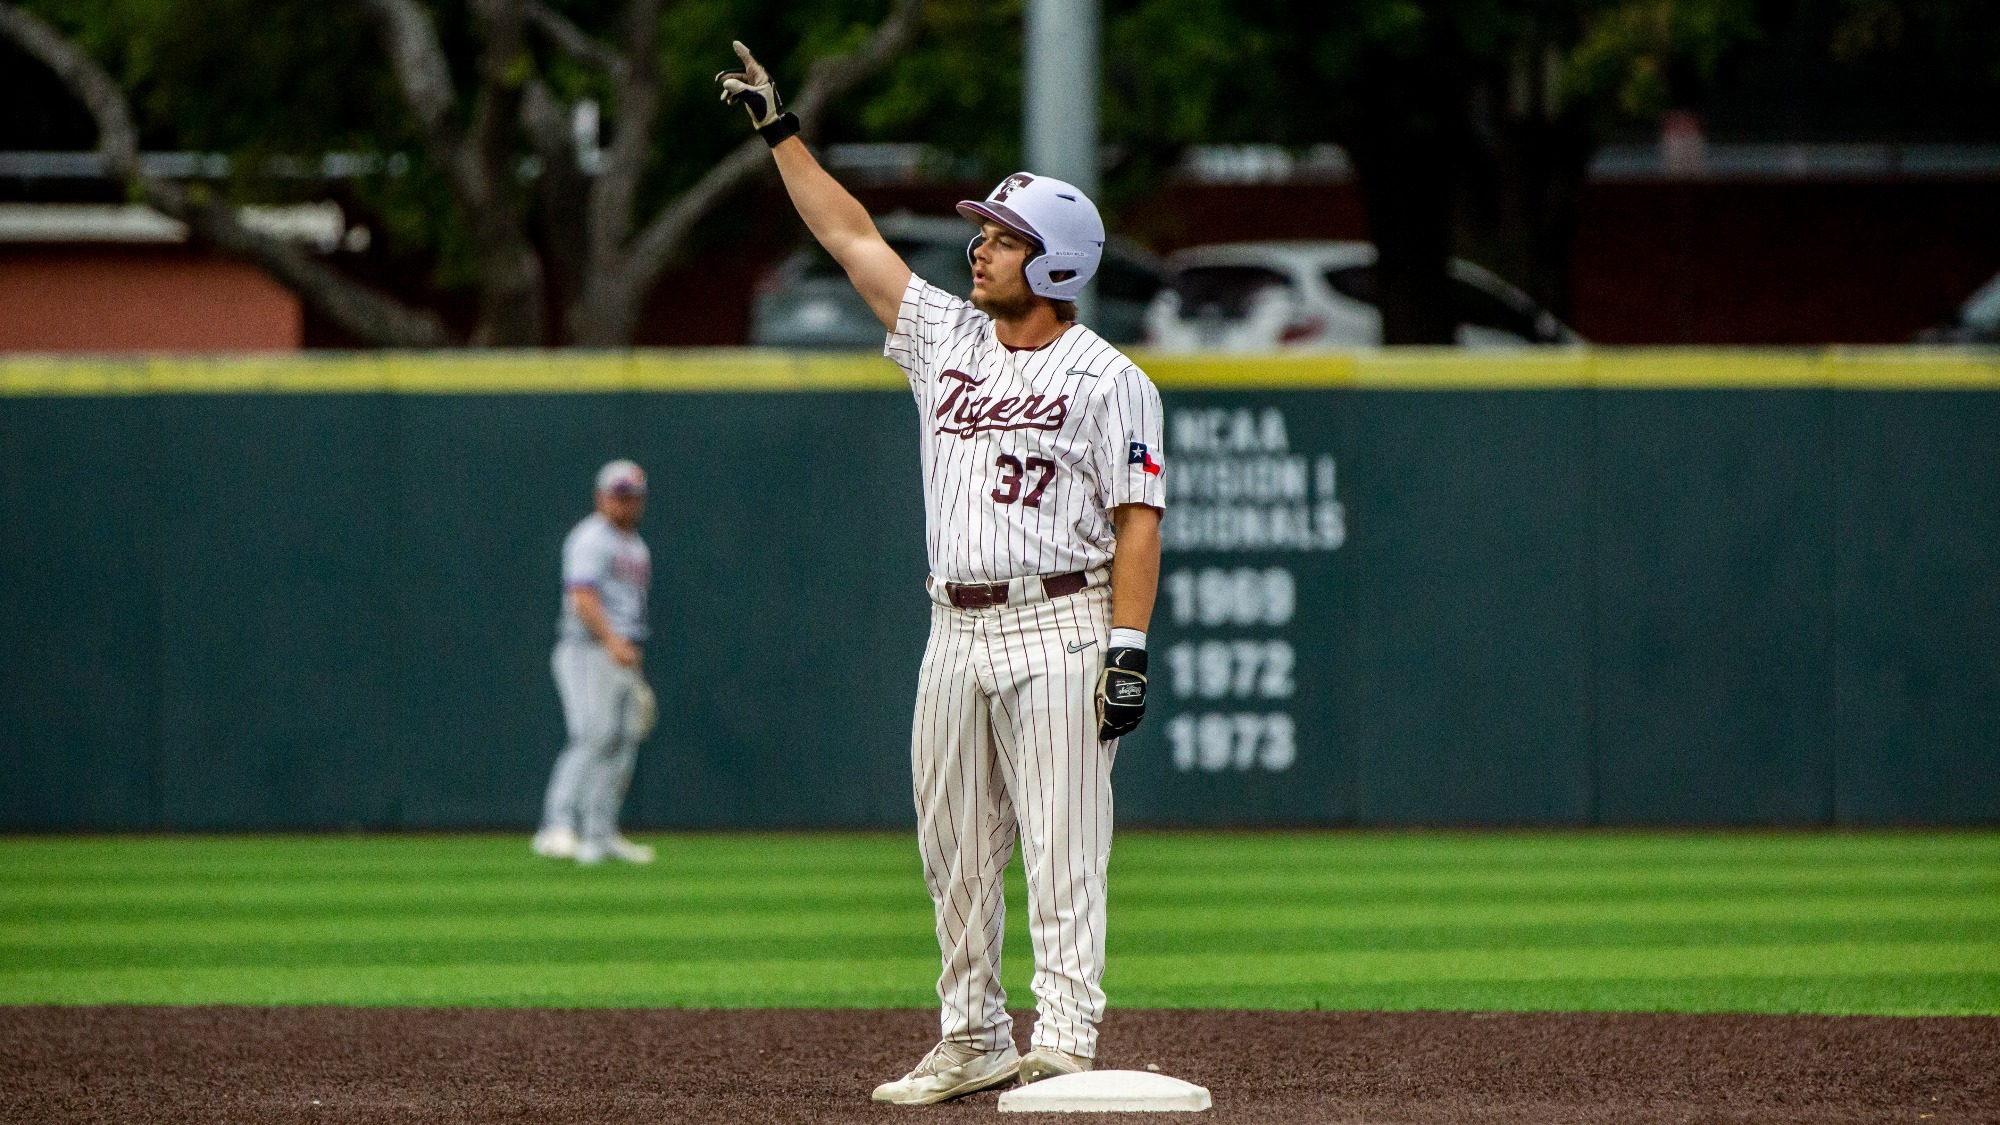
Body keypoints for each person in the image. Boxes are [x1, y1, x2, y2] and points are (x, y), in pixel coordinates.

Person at [718, 43, 1166, 1104]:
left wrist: (1128, 650)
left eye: (1003, 238)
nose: (978, 247)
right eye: (981, 230)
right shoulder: (944, 338)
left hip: (1062, 618)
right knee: (954, 852)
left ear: (1053, 262)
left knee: (1062, 846)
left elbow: (1136, 524)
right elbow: (846, 233)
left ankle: (1063, 1034)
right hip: (953, 629)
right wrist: (781, 133)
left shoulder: (1111, 380)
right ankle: (969, 1034)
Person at [531, 459, 660, 866]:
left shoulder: (636, 546)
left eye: (632, 497)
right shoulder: (590, 538)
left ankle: (599, 834)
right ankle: (557, 826)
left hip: (622, 651)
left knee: (623, 741)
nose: (625, 504)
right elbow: (582, 597)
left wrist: (626, 648)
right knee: (592, 734)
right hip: (588, 648)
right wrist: (611, 641)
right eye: (618, 495)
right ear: (600, 497)